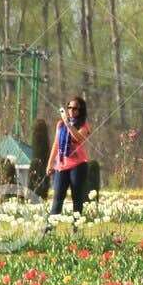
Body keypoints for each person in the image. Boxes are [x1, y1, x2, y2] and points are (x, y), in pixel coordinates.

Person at [47, 95, 90, 223]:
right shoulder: (60, 125)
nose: (71, 110)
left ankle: (76, 227)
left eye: (75, 108)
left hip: (78, 165)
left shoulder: (84, 125)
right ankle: (49, 228)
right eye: (69, 107)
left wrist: (68, 124)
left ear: (80, 110)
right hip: (61, 165)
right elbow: (56, 144)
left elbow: (77, 137)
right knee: (57, 197)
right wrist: (50, 163)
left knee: (77, 198)